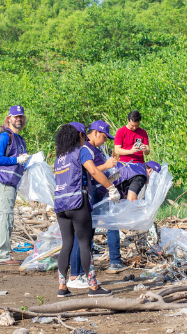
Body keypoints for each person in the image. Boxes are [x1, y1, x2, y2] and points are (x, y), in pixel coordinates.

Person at [54, 123, 120, 297]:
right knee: (84, 243)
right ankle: (93, 287)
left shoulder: (60, 157)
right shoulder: (82, 151)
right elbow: (93, 171)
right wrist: (111, 188)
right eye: (84, 136)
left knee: (67, 244)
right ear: (80, 136)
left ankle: (62, 287)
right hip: (77, 202)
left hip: (60, 205)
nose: (85, 140)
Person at [0, 106, 32, 265]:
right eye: (15, 117)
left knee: (1, 215)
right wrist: (16, 160)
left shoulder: (20, 140)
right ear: (9, 119)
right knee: (6, 216)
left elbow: (20, 161)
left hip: (12, 181)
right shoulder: (5, 136)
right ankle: (2, 255)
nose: (18, 119)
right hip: (4, 181)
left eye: (21, 117)